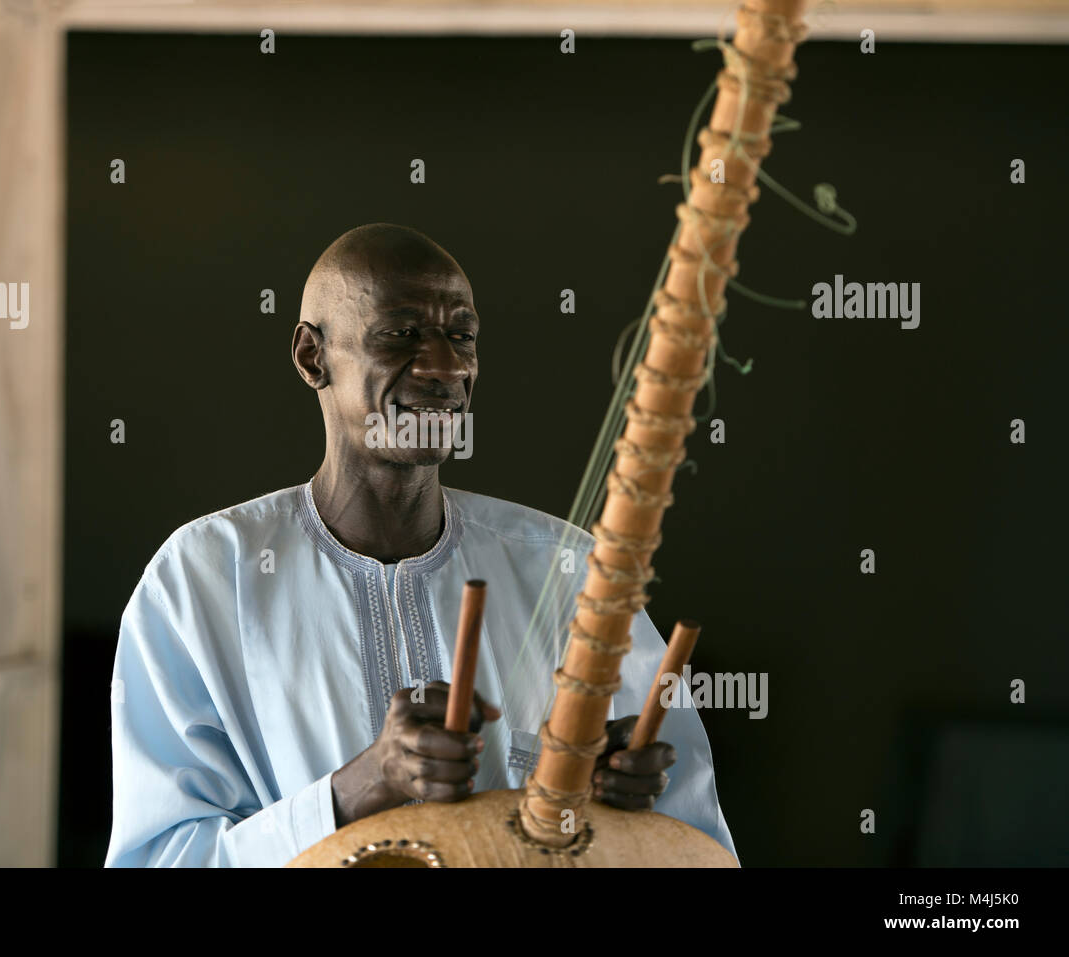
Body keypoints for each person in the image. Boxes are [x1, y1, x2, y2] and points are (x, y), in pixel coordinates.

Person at [105, 223, 735, 867]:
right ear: (311, 357)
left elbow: (694, 847)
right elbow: (159, 858)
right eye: (400, 334)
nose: (446, 367)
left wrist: (608, 809)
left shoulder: (571, 569)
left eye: (461, 336)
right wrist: (362, 786)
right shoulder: (202, 579)